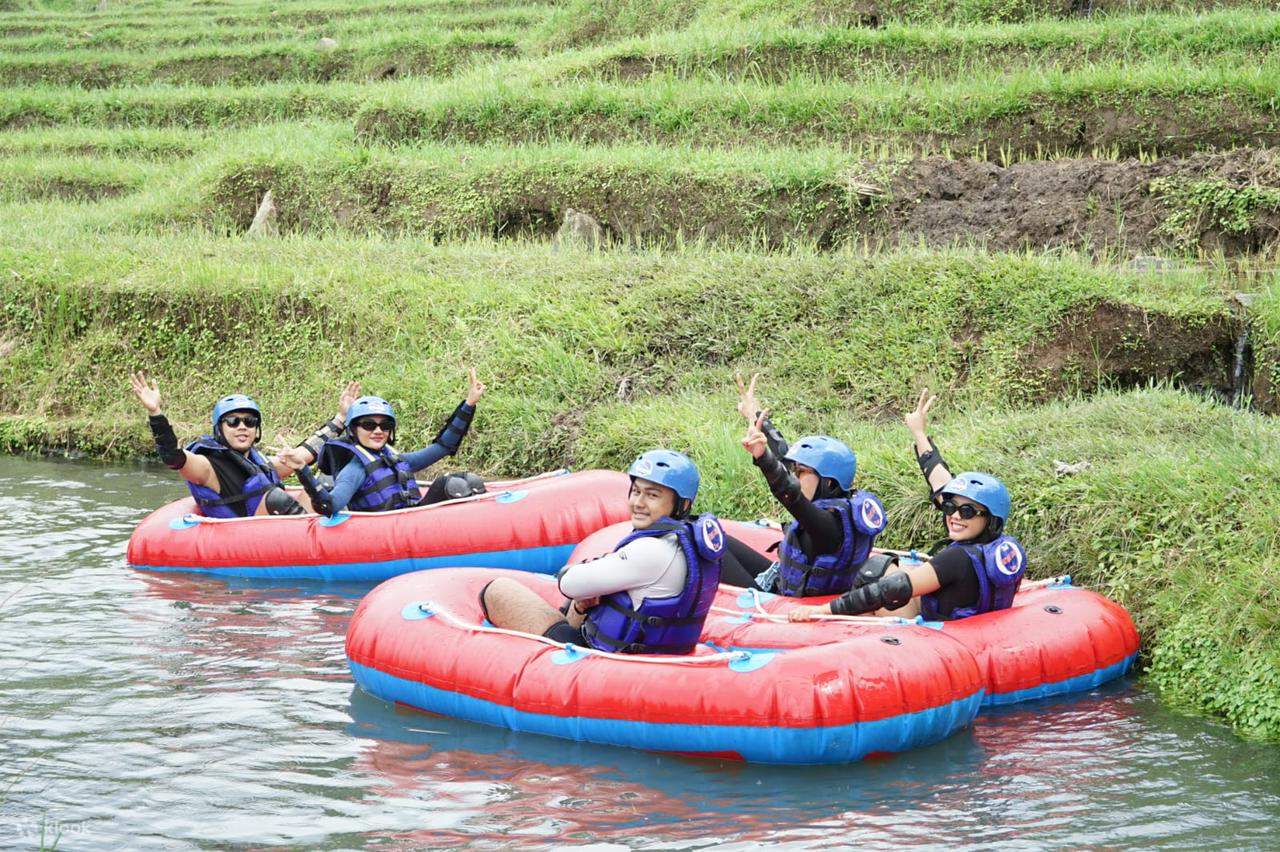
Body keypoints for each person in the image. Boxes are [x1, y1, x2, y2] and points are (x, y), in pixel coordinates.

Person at [789, 388, 1028, 622]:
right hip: (974, 620)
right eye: (949, 507)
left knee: (877, 568)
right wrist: (919, 433)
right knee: (898, 567)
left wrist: (823, 610)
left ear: (990, 520)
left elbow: (889, 590)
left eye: (966, 511)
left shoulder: (956, 559)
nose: (954, 515)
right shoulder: (998, 548)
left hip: (938, 635)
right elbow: (941, 483)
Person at [479, 450, 725, 655]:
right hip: (655, 651)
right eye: (636, 491)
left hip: (607, 661)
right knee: (580, 603)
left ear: (681, 505)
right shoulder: (692, 544)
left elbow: (568, 583)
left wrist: (577, 573)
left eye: (652, 495)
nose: (639, 502)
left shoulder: (651, 550)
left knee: (497, 589)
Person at [728, 373, 887, 597]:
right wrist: (755, 415)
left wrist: (762, 457)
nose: (794, 476)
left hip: (785, 603)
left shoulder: (829, 527)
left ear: (828, 481)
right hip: (782, 580)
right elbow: (785, 456)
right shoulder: (838, 503)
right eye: (795, 471)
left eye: (801, 472)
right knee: (721, 540)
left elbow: (788, 492)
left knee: (703, 548)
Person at [130, 372, 359, 517]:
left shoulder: (258, 463)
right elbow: (173, 457)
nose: (242, 426)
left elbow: (305, 453)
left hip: (277, 529)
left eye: (249, 422)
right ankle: (318, 543)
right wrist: (156, 413)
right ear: (220, 428)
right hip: (246, 538)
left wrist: (340, 419)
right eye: (233, 421)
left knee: (324, 484)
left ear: (256, 429)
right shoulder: (207, 466)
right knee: (275, 498)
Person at [302, 369, 486, 516]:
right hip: (386, 536)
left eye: (385, 425)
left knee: (467, 480)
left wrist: (468, 404)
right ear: (353, 430)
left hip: (413, 523)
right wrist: (303, 471)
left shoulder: (395, 459)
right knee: (453, 485)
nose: (378, 431)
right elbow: (329, 506)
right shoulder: (354, 470)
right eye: (368, 425)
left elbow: (443, 446)